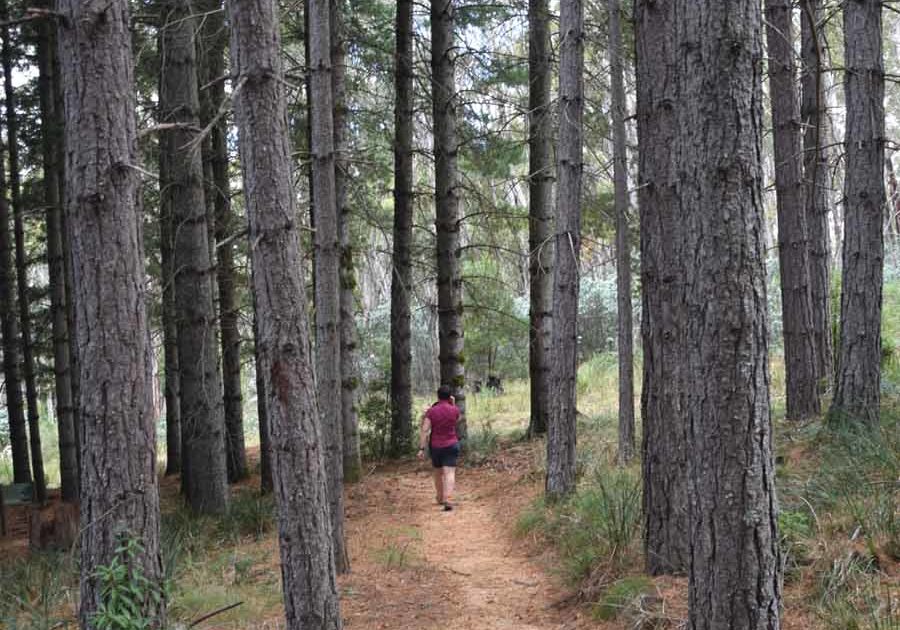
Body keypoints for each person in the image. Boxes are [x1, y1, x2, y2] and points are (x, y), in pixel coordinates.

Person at [417, 385, 460, 511]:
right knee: (450, 472)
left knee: (438, 473)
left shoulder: (431, 411)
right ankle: (449, 498)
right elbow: (457, 420)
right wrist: (453, 403)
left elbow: (424, 430)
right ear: (449, 396)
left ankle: (440, 497)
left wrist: (421, 448)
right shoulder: (454, 409)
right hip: (452, 444)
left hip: (436, 446)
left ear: (438, 396)